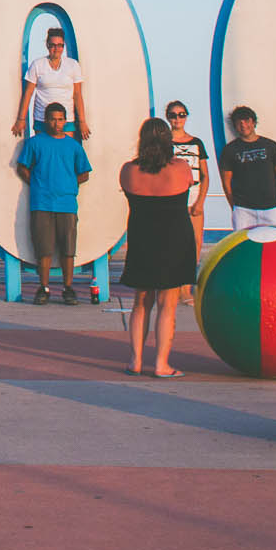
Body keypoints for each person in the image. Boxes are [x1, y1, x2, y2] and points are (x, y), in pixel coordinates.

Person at [116, 117, 203, 378]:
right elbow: (191, 184)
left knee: (141, 302)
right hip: (174, 240)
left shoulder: (128, 171)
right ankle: (162, 364)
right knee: (168, 304)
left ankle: (136, 360)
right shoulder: (181, 168)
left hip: (142, 239)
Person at [12, 101, 93, 304]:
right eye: (53, 119)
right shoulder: (35, 143)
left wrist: (68, 185)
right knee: (44, 248)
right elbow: (22, 167)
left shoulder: (73, 146)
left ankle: (68, 288)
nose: (57, 123)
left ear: (65, 121)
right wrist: (38, 184)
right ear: (46, 120)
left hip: (66, 204)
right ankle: (44, 287)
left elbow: (84, 173)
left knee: (68, 249)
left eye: (60, 119)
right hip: (42, 204)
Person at [217, 105, 276, 230]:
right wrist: (235, 206)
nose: (243, 125)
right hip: (243, 209)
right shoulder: (230, 150)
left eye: (246, 121)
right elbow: (226, 182)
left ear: (254, 122)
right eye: (239, 122)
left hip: (271, 208)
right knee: (243, 245)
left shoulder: (270, 145)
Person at [162, 98, 212, 266]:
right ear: (168, 117)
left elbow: (205, 175)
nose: (177, 119)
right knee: (173, 239)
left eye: (181, 115)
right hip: (173, 194)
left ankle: (189, 278)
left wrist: (200, 202)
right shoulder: (164, 143)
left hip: (194, 193)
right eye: (173, 115)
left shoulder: (197, 143)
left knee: (196, 239)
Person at [16, 27, 88, 140]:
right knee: (43, 153)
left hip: (66, 120)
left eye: (60, 45)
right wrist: (21, 119)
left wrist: (82, 122)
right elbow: (28, 93)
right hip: (42, 119)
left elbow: (77, 94)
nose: (56, 48)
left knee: (65, 153)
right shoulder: (37, 64)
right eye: (53, 45)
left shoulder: (73, 65)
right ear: (47, 45)